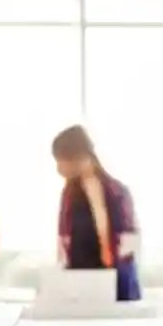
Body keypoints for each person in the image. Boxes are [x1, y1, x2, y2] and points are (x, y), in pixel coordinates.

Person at [52, 125, 141, 301]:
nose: (59, 168)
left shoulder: (117, 192)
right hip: (82, 285)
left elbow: (129, 241)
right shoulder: (70, 195)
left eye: (61, 160)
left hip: (117, 283)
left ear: (77, 156)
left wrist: (112, 266)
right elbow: (64, 242)